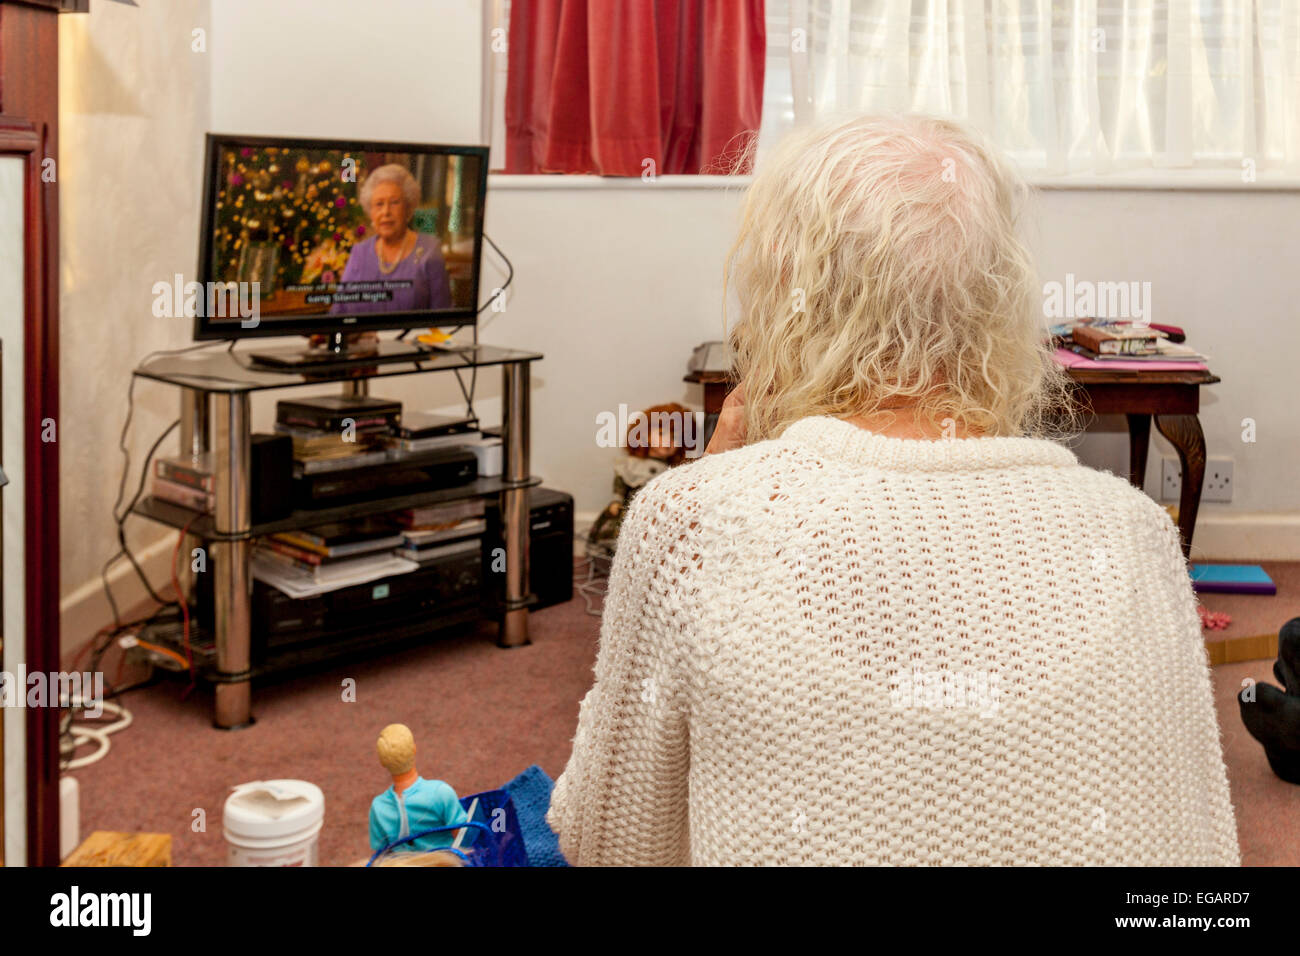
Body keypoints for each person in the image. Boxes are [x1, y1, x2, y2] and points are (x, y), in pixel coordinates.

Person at [546, 114, 1239, 866]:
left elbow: (608, 844)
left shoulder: (690, 522)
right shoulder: (1137, 531)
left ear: (785, 298)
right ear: (1000, 301)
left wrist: (709, 484)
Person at [330, 163, 452, 316]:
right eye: (379, 204)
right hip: (360, 339)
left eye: (394, 202)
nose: (386, 212)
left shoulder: (429, 250)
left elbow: (443, 318)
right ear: (371, 212)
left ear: (408, 207)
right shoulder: (359, 252)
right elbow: (338, 311)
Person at [369, 723, 469, 853]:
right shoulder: (440, 792)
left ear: (382, 762)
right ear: (414, 750)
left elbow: (381, 855)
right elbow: (464, 840)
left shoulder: (378, 807)